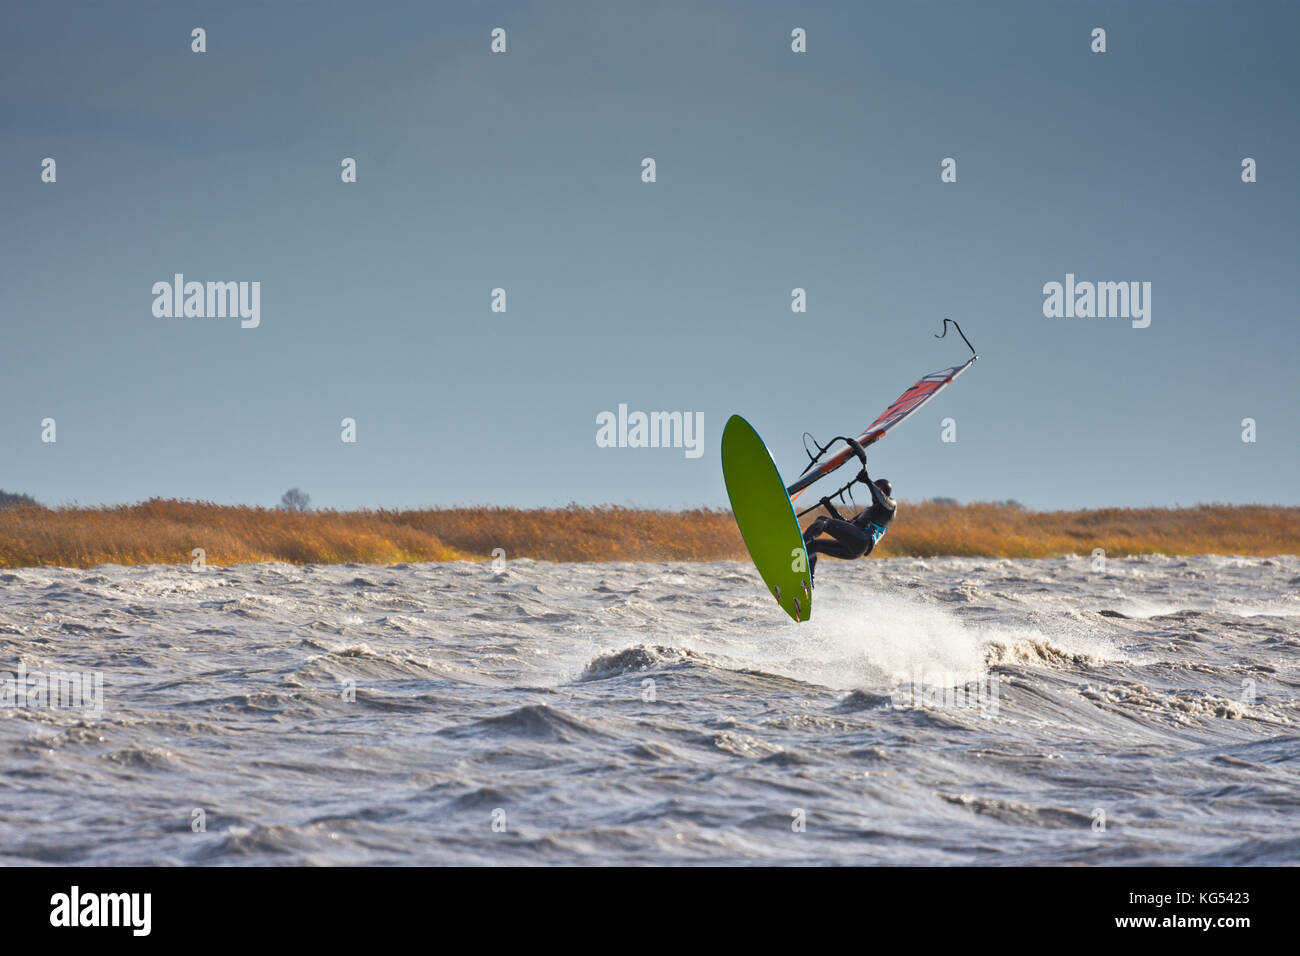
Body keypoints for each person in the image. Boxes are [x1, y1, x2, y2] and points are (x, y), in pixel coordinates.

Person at [802, 439, 895, 582]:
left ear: (884, 491)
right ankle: (807, 579)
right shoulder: (869, 511)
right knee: (814, 546)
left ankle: (800, 544)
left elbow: (881, 498)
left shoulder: (891, 506)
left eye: (878, 488)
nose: (873, 492)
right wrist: (829, 506)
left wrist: (868, 481)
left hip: (863, 540)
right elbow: (846, 526)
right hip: (854, 548)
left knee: (822, 521)